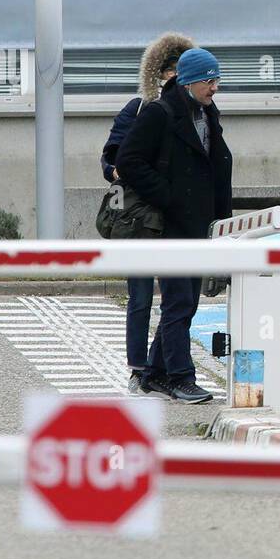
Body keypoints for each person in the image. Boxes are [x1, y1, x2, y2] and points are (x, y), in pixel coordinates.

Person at [116, 48, 233, 404]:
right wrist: (168, 196)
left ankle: (156, 372)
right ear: (189, 81)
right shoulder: (160, 113)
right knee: (179, 303)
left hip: (197, 222)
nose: (215, 88)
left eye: (216, 81)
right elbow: (127, 160)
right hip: (170, 224)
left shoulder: (206, 112)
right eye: (210, 81)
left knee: (186, 302)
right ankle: (182, 377)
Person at [100, 32, 195, 396]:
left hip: (178, 216)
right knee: (140, 295)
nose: (175, 79)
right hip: (140, 215)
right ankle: (138, 368)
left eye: (180, 72)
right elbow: (111, 157)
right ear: (159, 73)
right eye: (169, 72)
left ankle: (161, 366)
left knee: (179, 296)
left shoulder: (197, 112)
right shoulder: (139, 109)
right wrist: (124, 172)